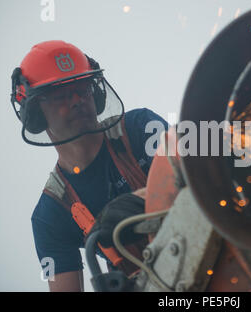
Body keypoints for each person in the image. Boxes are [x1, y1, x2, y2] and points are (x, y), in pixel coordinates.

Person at [10, 40, 168, 291]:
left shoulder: (141, 129)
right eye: (61, 94)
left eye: (82, 88)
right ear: (36, 114)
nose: (76, 100)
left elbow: (195, 180)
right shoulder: (50, 215)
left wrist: (139, 203)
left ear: (96, 92)